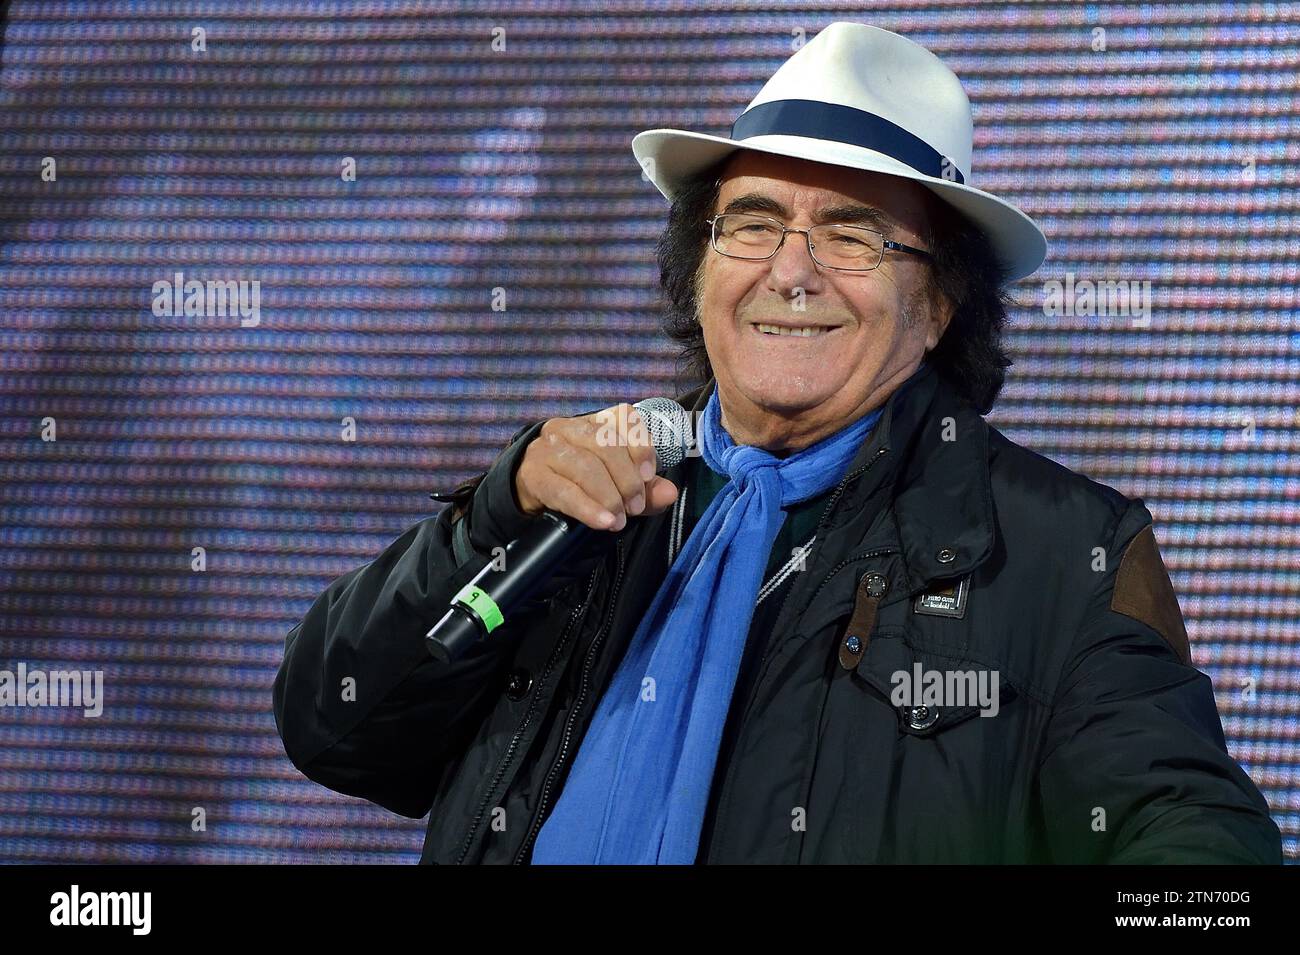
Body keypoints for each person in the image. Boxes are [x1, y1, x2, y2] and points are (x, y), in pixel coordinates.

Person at [272, 22, 1282, 864]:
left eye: (851, 235)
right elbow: (338, 730)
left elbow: (1194, 848)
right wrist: (490, 517)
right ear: (699, 271)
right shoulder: (587, 492)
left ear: (935, 304)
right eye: (750, 224)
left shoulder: (1061, 550)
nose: (789, 272)